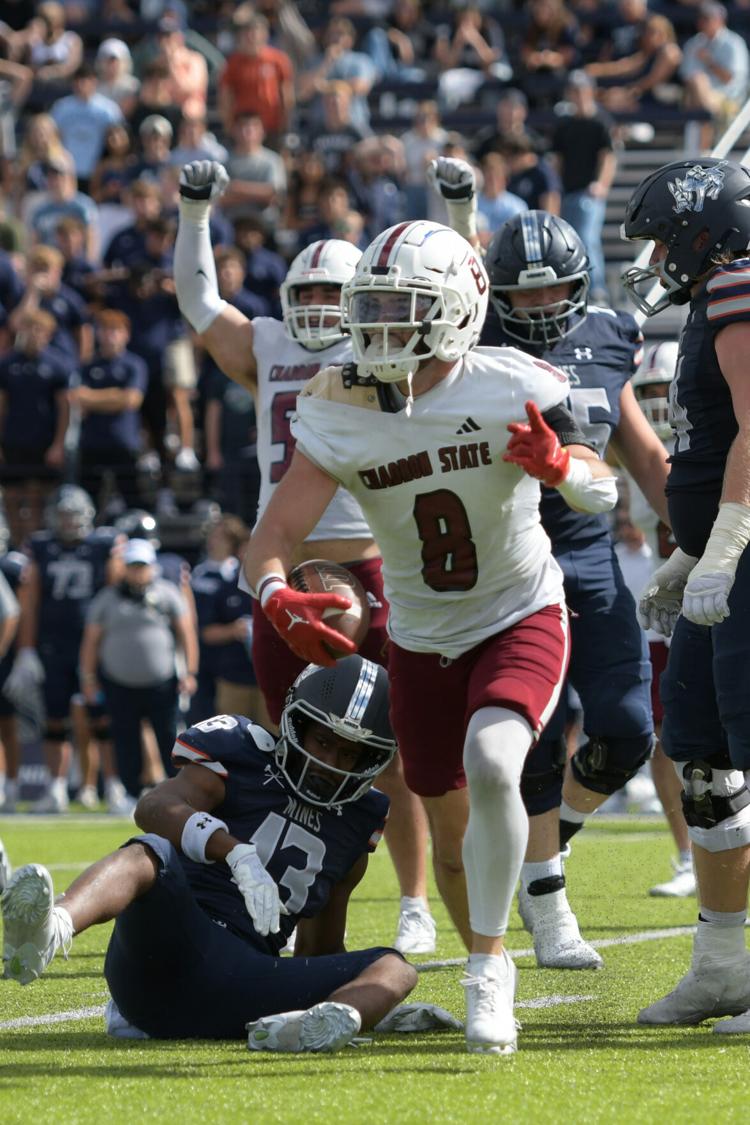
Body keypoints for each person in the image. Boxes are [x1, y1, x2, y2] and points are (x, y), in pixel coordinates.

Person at [239, 209, 619, 1051]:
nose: (376, 327)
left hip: (519, 610)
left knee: (494, 762)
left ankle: (490, 975)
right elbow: (270, 540)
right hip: (419, 634)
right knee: (450, 839)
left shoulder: (510, 380)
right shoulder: (338, 402)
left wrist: (562, 468)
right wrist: (274, 596)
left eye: (399, 307)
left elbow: (606, 484)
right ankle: (487, 948)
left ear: (453, 308)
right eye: (370, 308)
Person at [174, 160, 437, 959]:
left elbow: (453, 318)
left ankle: (416, 900)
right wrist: (195, 213)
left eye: (336, 294)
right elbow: (197, 302)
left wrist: (452, 211)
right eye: (310, 294)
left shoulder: (387, 344)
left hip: (375, 562)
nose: (322, 307)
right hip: (284, 568)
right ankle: (267, 891)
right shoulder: (266, 344)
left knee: (399, 744)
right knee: (284, 746)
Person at [431, 159, 669, 969]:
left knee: (629, 726)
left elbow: (642, 453)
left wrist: (708, 533)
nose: (536, 308)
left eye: (548, 292)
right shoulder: (471, 339)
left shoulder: (606, 335)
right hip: (508, 554)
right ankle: (547, 897)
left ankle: (547, 844)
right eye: (521, 294)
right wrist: (459, 211)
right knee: (530, 735)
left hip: (590, 553)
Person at [1, 656, 424, 1051]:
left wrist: (368, 999)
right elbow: (153, 808)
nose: (329, 763)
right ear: (296, 723)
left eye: (350, 753)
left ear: (372, 759)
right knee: (150, 854)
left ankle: (326, 1024)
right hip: (163, 949)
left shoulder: (356, 822)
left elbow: (319, 950)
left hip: (244, 983)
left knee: (397, 968)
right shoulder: (243, 756)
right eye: (323, 741)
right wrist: (235, 852)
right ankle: (48, 931)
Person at [621, 156, 750, 1033]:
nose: (662, 252)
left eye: (671, 235)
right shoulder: (715, 295)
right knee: (701, 754)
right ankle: (722, 961)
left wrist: (730, 537)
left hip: (747, 555)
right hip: (719, 555)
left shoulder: (741, 283)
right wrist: (690, 551)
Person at [625, 342, 695, 898]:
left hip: (723, 604)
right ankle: (686, 855)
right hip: (667, 615)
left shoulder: (724, 437)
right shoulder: (642, 457)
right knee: (662, 738)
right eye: (644, 393)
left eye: (662, 391)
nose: (655, 404)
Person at [5, 485, 120, 812]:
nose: (68, 521)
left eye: (74, 514)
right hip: (53, 646)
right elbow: (30, 600)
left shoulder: (103, 546)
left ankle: (112, 787)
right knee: (54, 720)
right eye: (63, 515)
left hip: (91, 647)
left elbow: (112, 595)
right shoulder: (41, 547)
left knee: (101, 718)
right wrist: (26, 650)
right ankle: (55, 789)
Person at [79, 537, 199, 802]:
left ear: (152, 566)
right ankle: (132, 794)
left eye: (142, 565)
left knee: (169, 739)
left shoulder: (167, 592)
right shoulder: (107, 598)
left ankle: (177, 794)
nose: (137, 570)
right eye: (132, 565)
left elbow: (186, 632)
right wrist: (88, 678)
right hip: (119, 683)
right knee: (125, 741)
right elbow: (91, 641)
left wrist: (190, 672)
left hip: (162, 682)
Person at [550, 70, 616, 302]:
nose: (577, 95)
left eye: (581, 89)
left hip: (588, 194)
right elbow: (557, 160)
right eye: (574, 90)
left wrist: (601, 184)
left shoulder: (601, 122)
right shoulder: (564, 125)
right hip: (567, 193)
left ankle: (596, 289)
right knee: (568, 242)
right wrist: (555, 189)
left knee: (587, 238)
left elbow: (608, 156)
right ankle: (576, 290)